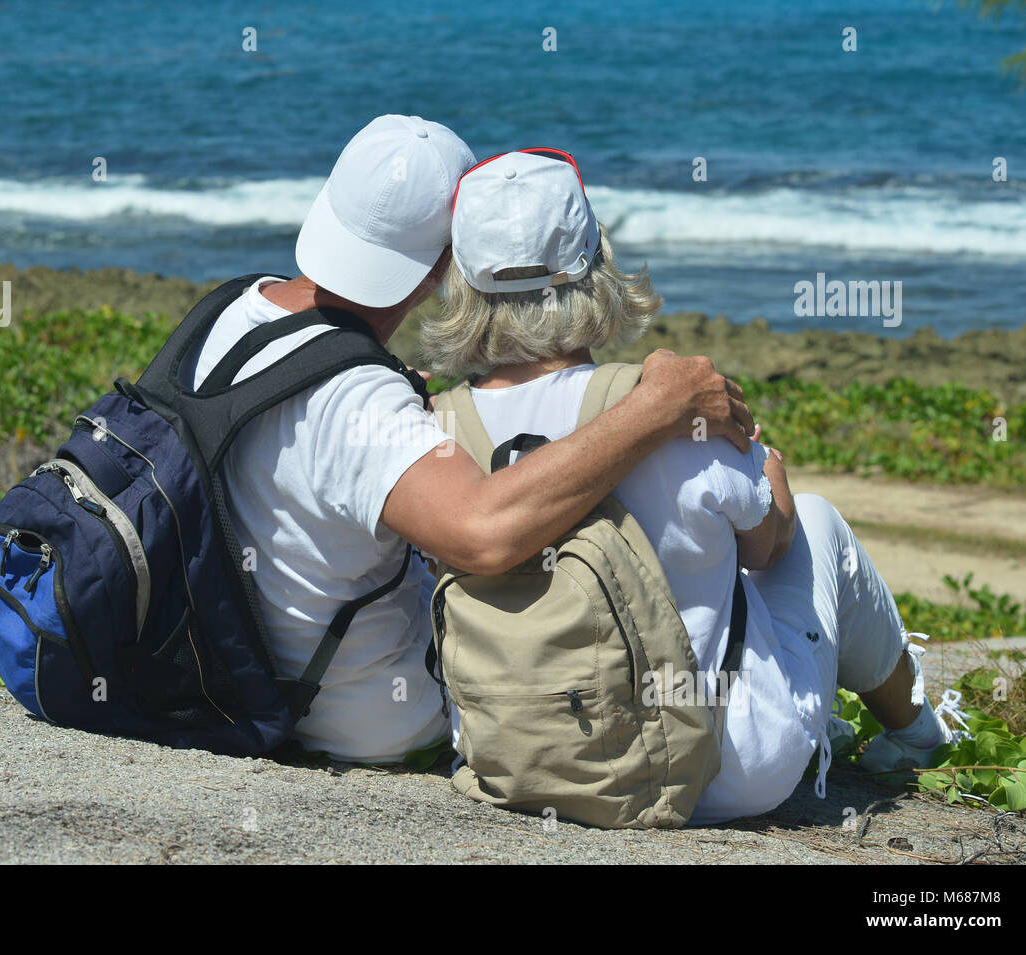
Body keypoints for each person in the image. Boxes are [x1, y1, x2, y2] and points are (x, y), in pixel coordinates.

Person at [186, 116, 756, 763]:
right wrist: (651, 408)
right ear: (444, 264)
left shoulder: (231, 309)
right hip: (367, 715)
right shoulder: (364, 399)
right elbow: (485, 535)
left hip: (220, 666)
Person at [426, 147, 967, 822]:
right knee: (819, 523)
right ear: (596, 266)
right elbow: (771, 544)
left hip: (516, 761)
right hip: (720, 771)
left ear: (464, 286)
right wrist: (767, 461)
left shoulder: (440, 429)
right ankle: (916, 733)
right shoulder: (671, 411)